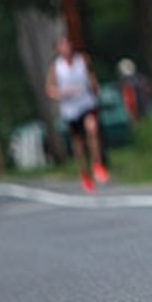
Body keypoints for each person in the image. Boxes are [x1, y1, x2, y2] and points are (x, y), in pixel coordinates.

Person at [45, 36, 110, 194]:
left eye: (67, 45)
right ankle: (84, 172)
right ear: (58, 50)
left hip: (86, 103)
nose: (66, 49)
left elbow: (90, 77)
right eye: (62, 47)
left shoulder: (82, 60)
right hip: (71, 109)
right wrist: (62, 93)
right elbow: (49, 90)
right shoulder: (56, 67)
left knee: (92, 128)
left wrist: (95, 89)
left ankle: (97, 164)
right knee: (79, 143)